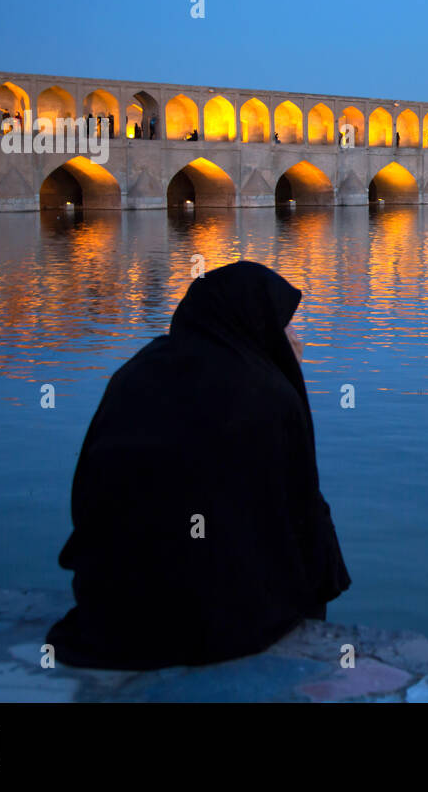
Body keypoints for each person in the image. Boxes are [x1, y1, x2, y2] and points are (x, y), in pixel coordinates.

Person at [47, 261, 351, 669]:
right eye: (287, 325)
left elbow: (88, 491)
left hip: (113, 608)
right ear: (254, 322)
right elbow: (302, 516)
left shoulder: (136, 372)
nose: (297, 339)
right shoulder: (265, 393)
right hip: (222, 623)